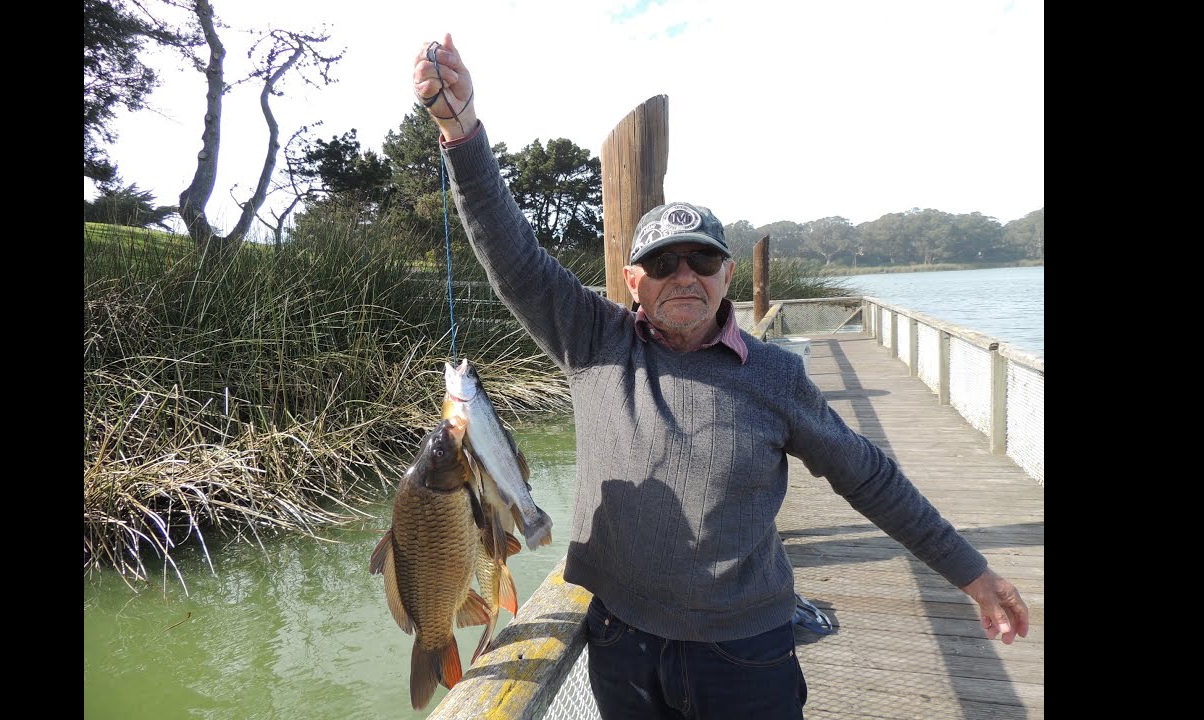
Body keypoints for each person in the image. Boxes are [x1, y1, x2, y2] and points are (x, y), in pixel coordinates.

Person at [411, 34, 1029, 719]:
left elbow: (869, 477)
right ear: (631, 280)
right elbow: (512, 253)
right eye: (664, 262)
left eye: (701, 262)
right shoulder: (591, 338)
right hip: (620, 641)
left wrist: (970, 571)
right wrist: (459, 131)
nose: (684, 276)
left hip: (748, 651)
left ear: (727, 277)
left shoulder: (776, 377)